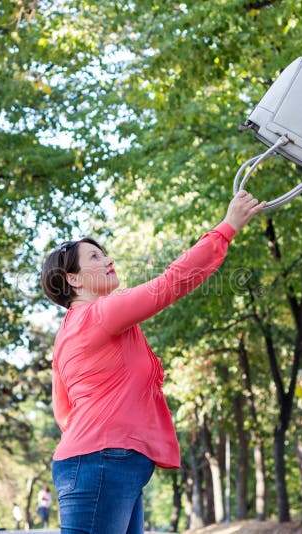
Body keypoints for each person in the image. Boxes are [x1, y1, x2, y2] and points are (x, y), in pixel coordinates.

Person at [41, 190, 265, 534]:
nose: (108, 261)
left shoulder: (71, 331)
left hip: (105, 461)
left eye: (105, 254)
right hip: (103, 461)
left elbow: (65, 413)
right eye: (96, 258)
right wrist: (227, 227)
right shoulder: (100, 313)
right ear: (73, 279)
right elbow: (171, 283)